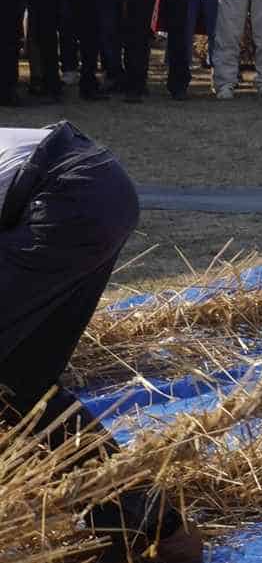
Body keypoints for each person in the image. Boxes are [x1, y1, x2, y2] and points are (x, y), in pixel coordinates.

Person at [0, 122, 203, 562]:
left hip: (65, 192)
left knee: (12, 380)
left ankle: (148, 524)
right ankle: (150, 527)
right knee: (20, 383)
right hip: (91, 186)